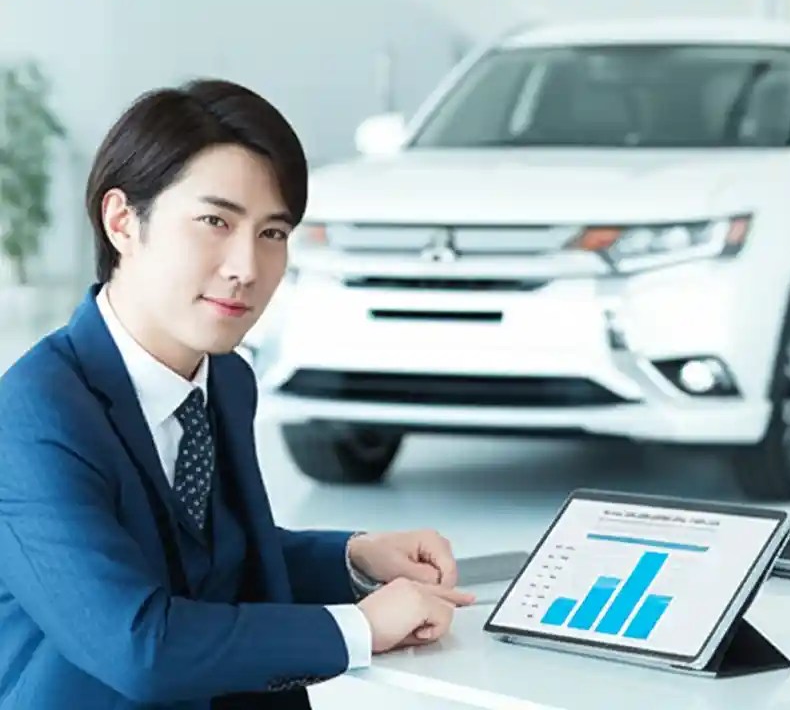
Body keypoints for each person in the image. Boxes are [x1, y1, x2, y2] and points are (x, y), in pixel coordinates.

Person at [0, 79, 475, 709]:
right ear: (122, 222)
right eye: (214, 222)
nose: (246, 267)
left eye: (272, 234)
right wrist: (363, 627)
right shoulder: (34, 412)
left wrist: (356, 559)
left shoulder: (225, 379)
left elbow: (211, 556)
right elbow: (137, 645)